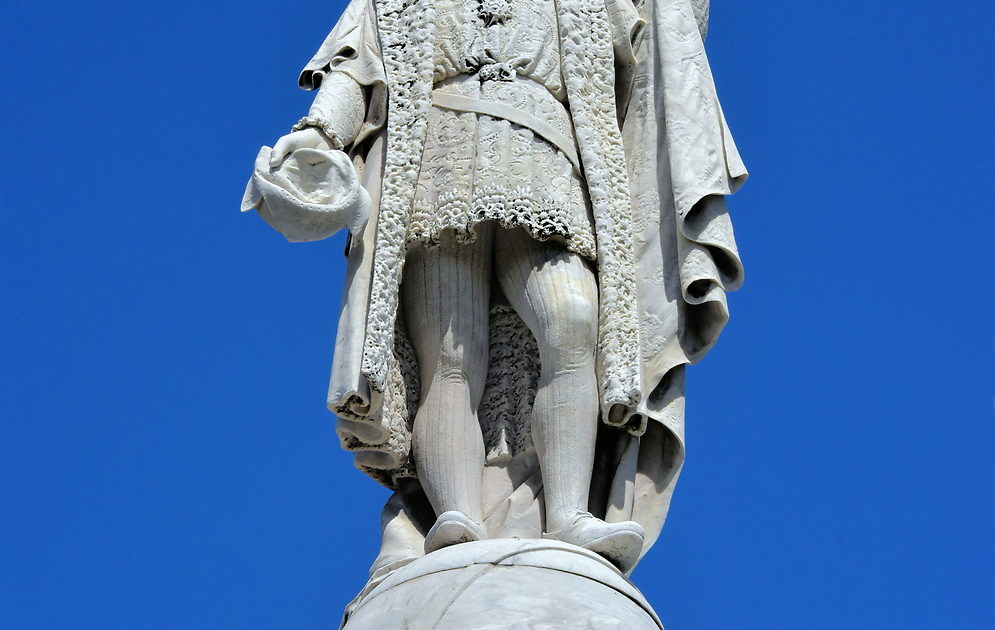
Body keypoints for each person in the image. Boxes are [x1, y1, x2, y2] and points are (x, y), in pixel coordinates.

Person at [252, 0, 746, 578]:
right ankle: (456, 512)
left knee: (573, 322)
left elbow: (660, 24)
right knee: (453, 356)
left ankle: (567, 513)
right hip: (439, 160)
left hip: (551, 163)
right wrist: (319, 131)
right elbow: (360, 64)